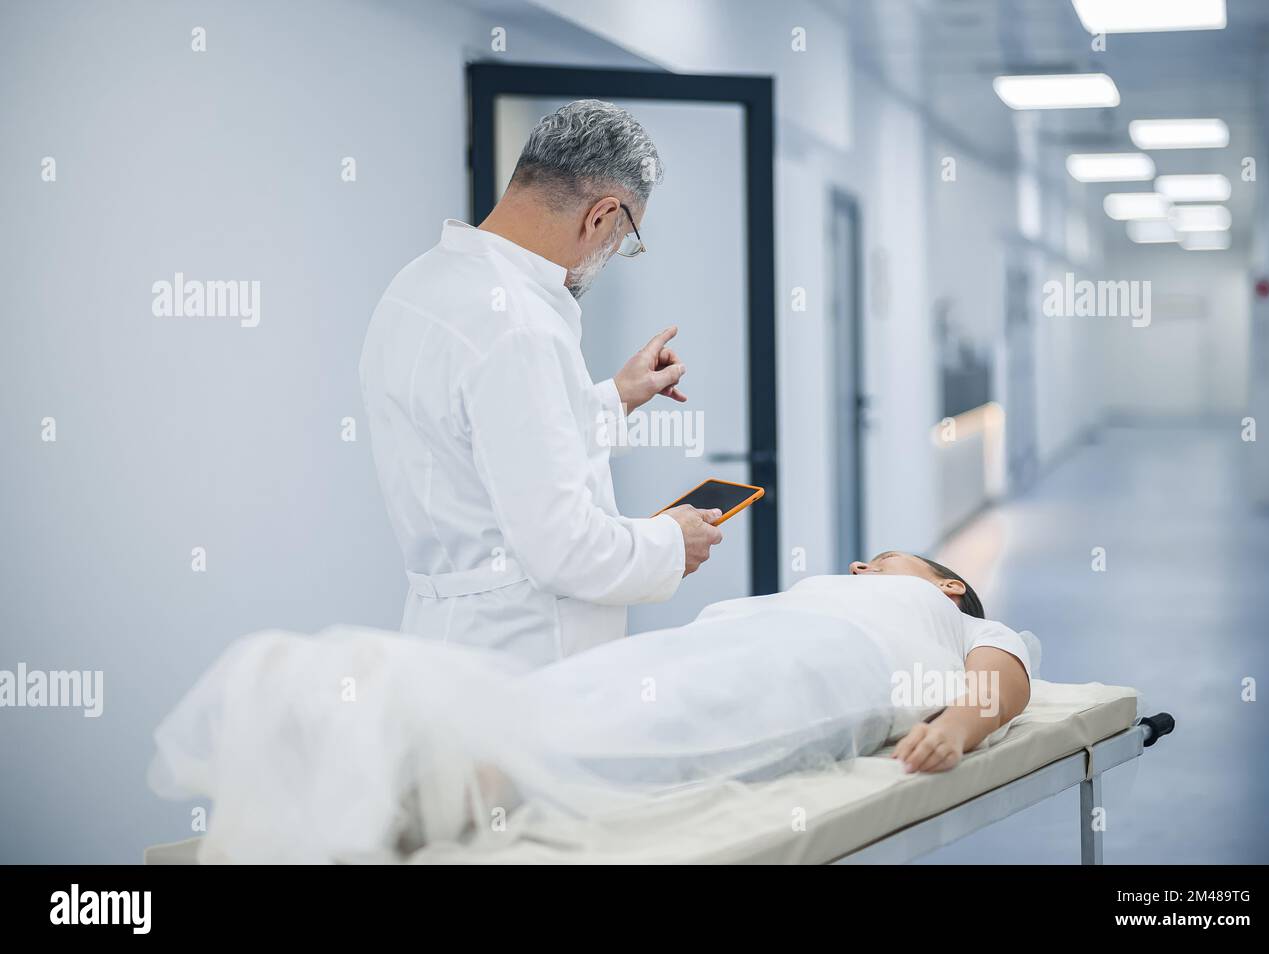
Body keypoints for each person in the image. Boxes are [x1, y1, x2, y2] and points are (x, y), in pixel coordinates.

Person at [150, 552, 1036, 862]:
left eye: (879, 562)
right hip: (714, 640)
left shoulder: (948, 618)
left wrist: (956, 726)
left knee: (688, 720)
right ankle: (434, 745)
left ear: (949, 585)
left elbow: (1002, 676)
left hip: (836, 666)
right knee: (590, 691)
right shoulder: (817, 589)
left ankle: (467, 779)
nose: (859, 570)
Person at [358, 99, 722, 667]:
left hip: (445, 639)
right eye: (628, 238)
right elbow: (565, 549)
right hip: (519, 656)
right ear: (602, 215)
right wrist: (672, 542)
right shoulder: (519, 325)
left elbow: (479, 440)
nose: (614, 253)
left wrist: (613, 399)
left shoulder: (422, 282)